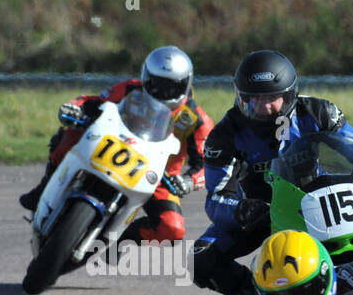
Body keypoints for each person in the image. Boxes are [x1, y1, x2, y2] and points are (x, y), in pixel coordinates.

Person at [191, 49, 353, 295]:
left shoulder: (319, 112)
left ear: (289, 95)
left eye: (271, 98)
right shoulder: (223, 136)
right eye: (252, 100)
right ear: (239, 97)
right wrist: (242, 209)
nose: (263, 107)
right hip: (264, 212)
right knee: (201, 259)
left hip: (319, 199)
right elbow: (216, 197)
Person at [18, 47, 213, 245]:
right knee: (72, 131)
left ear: (186, 84)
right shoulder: (130, 88)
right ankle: (45, 185)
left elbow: (208, 163)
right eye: (156, 83)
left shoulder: (197, 120)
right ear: (146, 76)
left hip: (156, 175)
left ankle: (123, 238)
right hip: (112, 146)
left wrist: (188, 181)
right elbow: (94, 102)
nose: (162, 91)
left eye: (171, 86)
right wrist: (75, 108)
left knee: (173, 229)